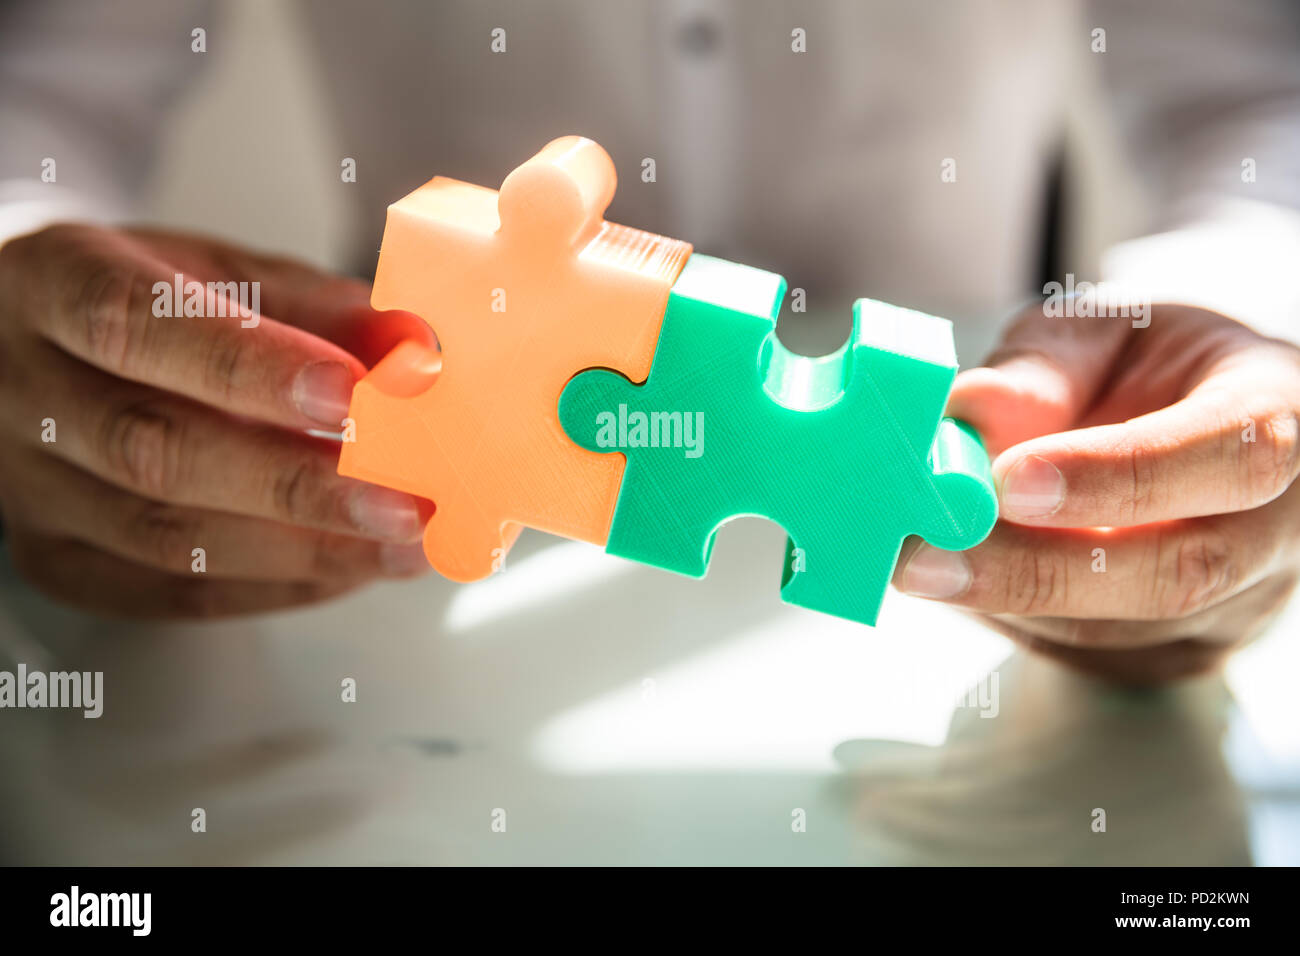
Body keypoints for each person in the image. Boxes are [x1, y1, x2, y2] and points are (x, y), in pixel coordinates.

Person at [0, 0, 1297, 684]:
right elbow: (44, 85)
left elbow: (1256, 94)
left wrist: (1245, 311)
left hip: (959, 465)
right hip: (396, 495)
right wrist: (30, 285)